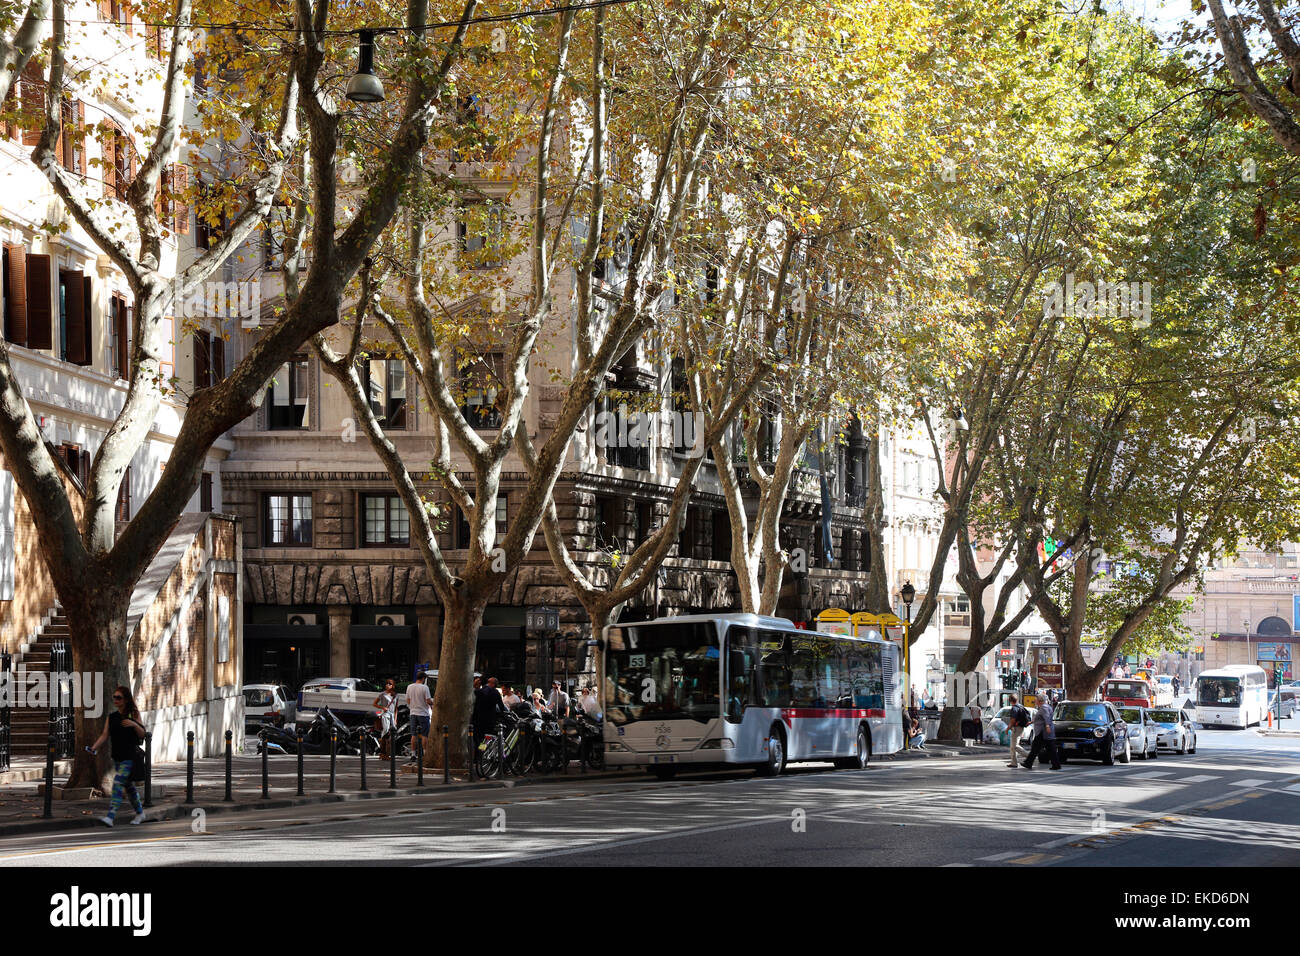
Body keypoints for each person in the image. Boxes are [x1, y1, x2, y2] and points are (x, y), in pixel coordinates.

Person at [90, 686, 147, 827]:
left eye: (119, 697)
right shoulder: (112, 717)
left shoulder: (133, 714)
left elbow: (143, 734)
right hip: (117, 757)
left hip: (130, 757)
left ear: (126, 700)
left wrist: (133, 724)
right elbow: (105, 735)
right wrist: (94, 747)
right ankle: (140, 813)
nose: (115, 700)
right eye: (114, 697)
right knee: (129, 788)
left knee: (117, 783)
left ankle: (110, 816)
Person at [1022, 693, 1060, 770]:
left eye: (1036, 700)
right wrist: (1031, 722)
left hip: (1043, 732)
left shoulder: (1043, 708)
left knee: (1036, 748)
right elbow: (1040, 718)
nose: (1035, 701)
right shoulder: (1046, 707)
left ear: (1039, 701)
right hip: (1045, 732)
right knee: (1047, 749)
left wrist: (1047, 726)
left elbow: (1046, 717)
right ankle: (1056, 765)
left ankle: (1028, 763)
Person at [472, 674, 510, 752]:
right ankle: (482, 753)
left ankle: (478, 755)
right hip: (490, 720)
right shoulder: (496, 693)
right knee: (486, 738)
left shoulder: (478, 691)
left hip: (477, 719)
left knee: (478, 738)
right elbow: (502, 707)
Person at [406, 671, 433, 763]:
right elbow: (428, 701)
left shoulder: (409, 686)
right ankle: (425, 754)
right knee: (425, 734)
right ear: (423, 679)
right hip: (423, 714)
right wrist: (434, 703)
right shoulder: (425, 687)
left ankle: (413, 754)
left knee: (414, 735)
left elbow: (408, 700)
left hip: (413, 713)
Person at [373, 678, 398, 760]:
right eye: (387, 683)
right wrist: (382, 707)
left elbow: (396, 709)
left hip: (392, 716)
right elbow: (374, 704)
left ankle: (386, 753)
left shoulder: (395, 695)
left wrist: (395, 719)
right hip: (385, 715)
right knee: (385, 732)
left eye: (390, 684)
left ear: (393, 686)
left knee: (391, 735)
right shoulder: (382, 694)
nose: (387, 685)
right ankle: (383, 754)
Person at [1005, 694, 1030, 768]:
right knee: (1013, 746)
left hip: (1016, 728)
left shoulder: (1014, 708)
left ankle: (1029, 755)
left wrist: (1007, 728)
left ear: (1010, 701)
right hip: (1021, 728)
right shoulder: (1021, 706)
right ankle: (1014, 762)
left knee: (1014, 746)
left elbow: (1013, 720)